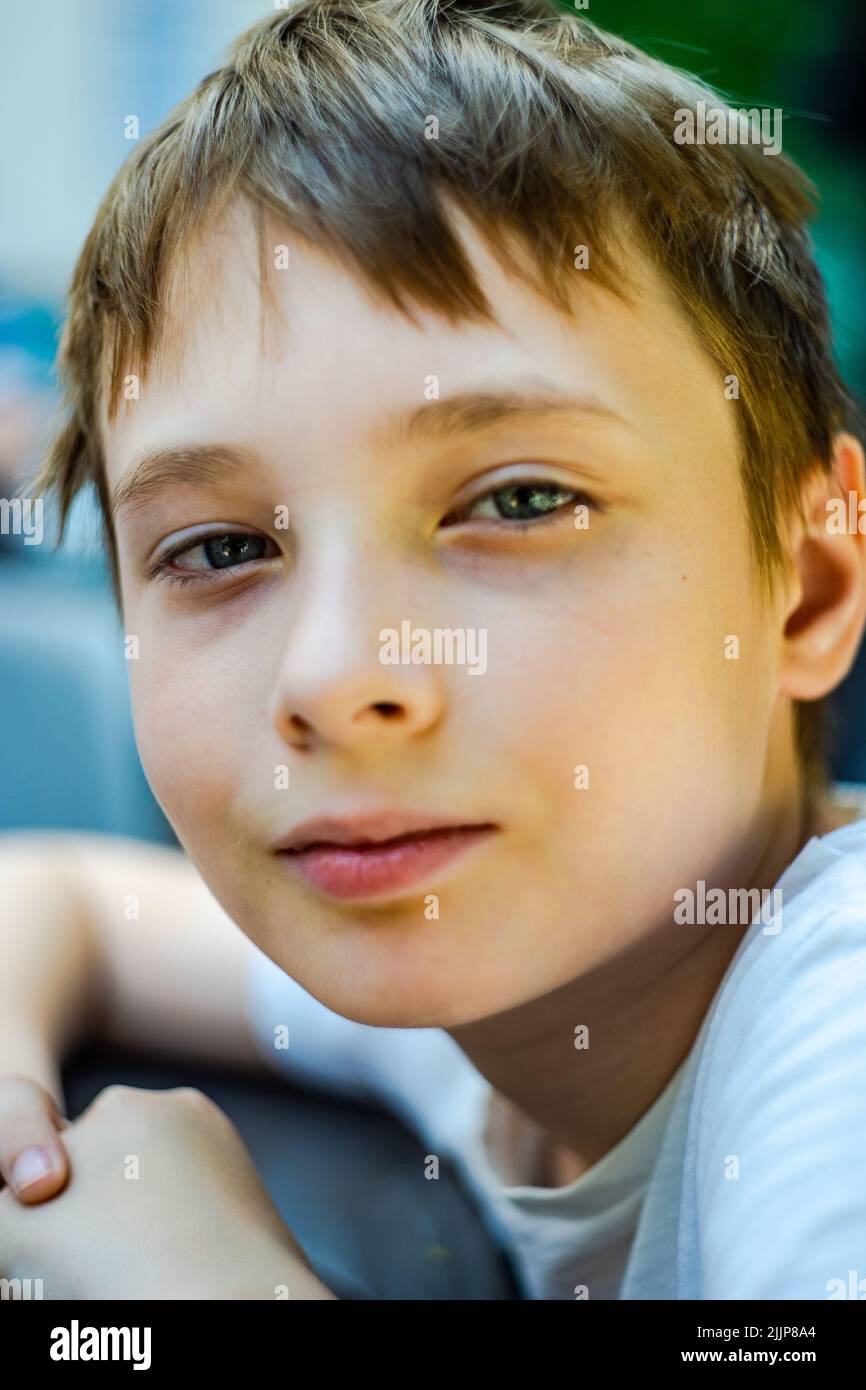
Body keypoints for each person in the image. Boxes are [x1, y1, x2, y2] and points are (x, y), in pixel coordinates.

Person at [2, 0, 866, 1300]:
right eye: (221, 548)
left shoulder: (830, 1038)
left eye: (519, 501)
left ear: (801, 591)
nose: (338, 679)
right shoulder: (484, 964)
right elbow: (70, 899)